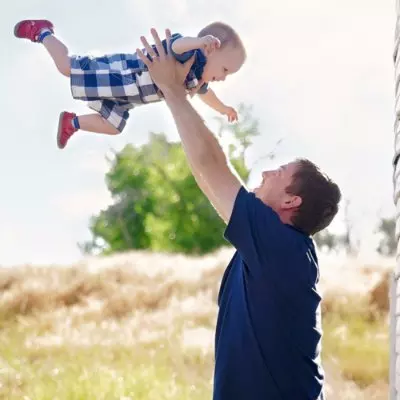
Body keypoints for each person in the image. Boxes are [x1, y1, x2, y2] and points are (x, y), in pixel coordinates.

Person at [136, 28, 342, 400]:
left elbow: (214, 167)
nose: (265, 173)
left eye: (279, 173)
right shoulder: (273, 251)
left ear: (291, 201)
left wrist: (173, 92)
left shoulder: (282, 247)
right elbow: (207, 176)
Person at [13, 19, 246, 149]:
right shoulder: (190, 53)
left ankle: (72, 122)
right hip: (122, 74)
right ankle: (42, 32)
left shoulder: (197, 80)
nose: (224, 77)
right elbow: (176, 45)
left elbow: (208, 96)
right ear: (210, 49)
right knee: (66, 67)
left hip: (127, 99)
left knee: (113, 126)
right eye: (225, 70)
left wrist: (223, 109)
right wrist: (199, 41)